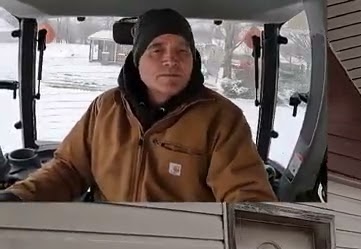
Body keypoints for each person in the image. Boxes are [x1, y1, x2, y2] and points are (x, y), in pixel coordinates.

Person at [0, 8, 275, 203]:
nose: (171, 59)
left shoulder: (222, 119)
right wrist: (19, 197)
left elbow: (246, 195)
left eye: (182, 50)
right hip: (106, 240)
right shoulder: (105, 108)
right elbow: (69, 169)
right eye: (157, 49)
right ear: (137, 59)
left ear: (193, 60)